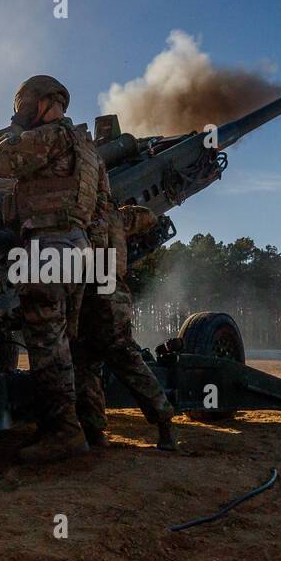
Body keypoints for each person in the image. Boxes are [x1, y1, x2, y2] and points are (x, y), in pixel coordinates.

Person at [0, 75, 100, 463]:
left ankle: (63, 434)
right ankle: (86, 424)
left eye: (23, 104)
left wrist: (15, 127)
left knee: (45, 343)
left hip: (48, 247)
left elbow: (0, 161)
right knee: (68, 343)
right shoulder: (86, 149)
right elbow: (103, 207)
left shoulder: (52, 135)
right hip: (79, 247)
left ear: (39, 102)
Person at [72, 192, 177, 451]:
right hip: (99, 291)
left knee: (112, 360)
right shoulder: (117, 216)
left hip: (95, 293)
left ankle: (162, 424)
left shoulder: (80, 216)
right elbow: (150, 217)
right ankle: (97, 432)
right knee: (91, 364)